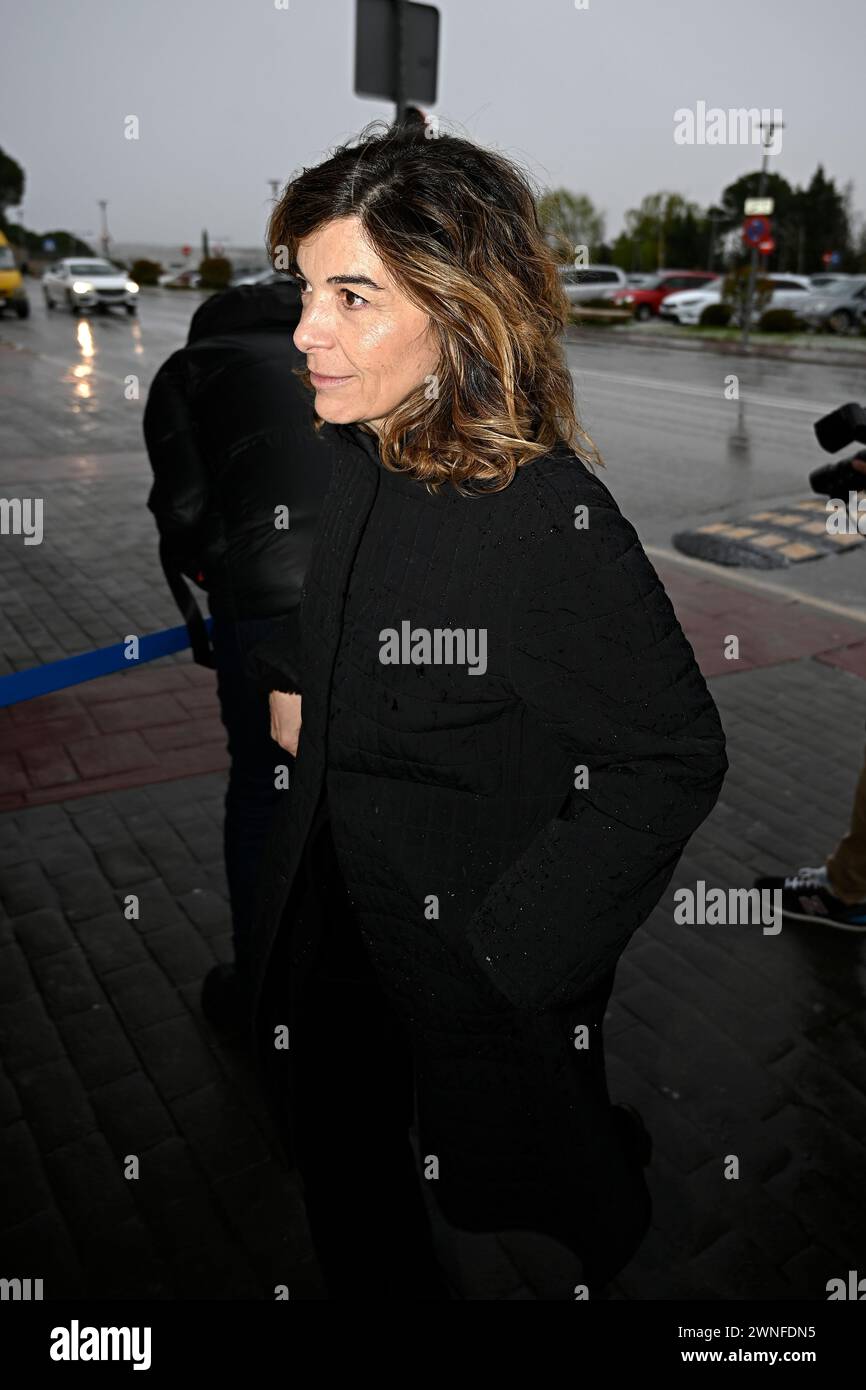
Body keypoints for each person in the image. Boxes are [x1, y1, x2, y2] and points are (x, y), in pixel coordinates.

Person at [247, 121, 729, 1300]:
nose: (307, 330)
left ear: (462, 310)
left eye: (351, 295)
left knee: (530, 1180)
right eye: (305, 290)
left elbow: (667, 757)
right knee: (342, 1165)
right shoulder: (363, 448)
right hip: (336, 911)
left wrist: (513, 954)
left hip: (464, 961)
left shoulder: (540, 521)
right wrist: (328, 708)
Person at [143, 279, 336, 1029]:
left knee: (263, 789)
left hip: (260, 606)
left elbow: (183, 505)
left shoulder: (190, 368)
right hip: (371, 587)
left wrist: (204, 570)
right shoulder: (324, 348)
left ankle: (262, 988)